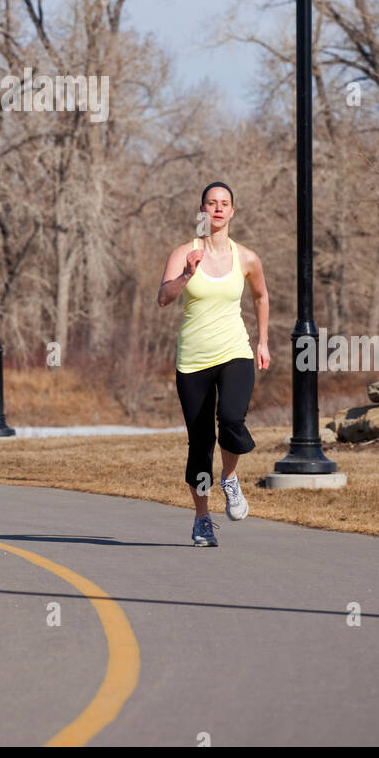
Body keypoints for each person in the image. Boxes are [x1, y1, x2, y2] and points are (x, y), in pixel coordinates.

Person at [157, 182, 270, 546]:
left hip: (235, 351)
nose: (218, 209)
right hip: (193, 360)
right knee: (201, 442)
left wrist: (263, 341)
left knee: (233, 420)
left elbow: (261, 295)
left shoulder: (247, 258)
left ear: (232, 211)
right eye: (212, 203)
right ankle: (202, 517)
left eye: (225, 204)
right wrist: (187, 275)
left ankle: (231, 478)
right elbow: (163, 298)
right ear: (202, 210)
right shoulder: (184, 253)